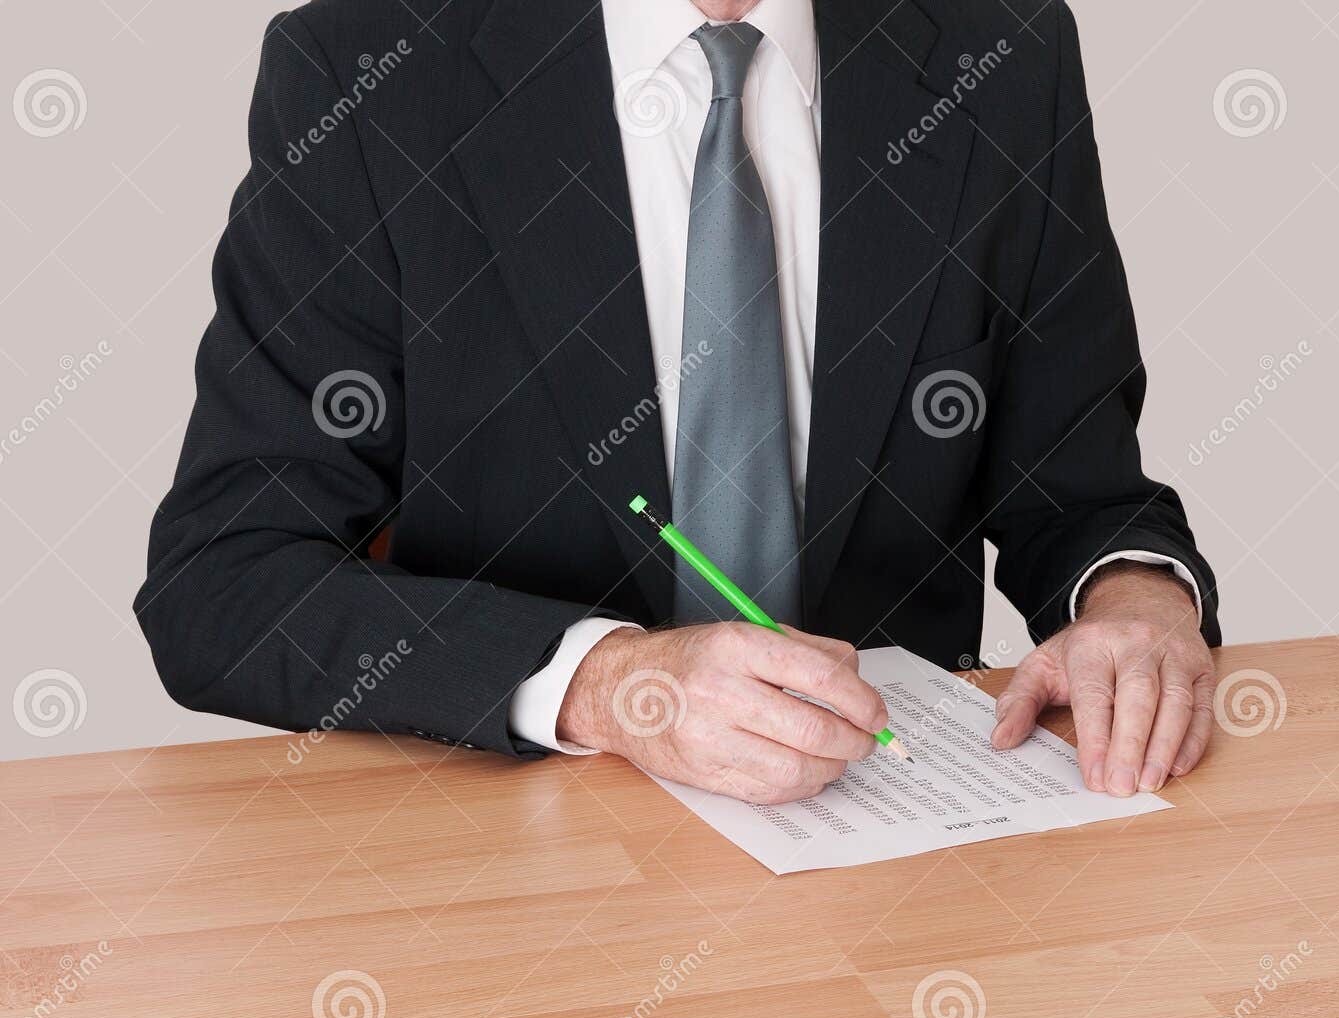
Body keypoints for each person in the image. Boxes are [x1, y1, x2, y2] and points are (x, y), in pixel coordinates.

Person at [137, 0, 1221, 807]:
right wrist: (607, 683)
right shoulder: (369, 73)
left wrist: (1136, 605)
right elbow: (227, 578)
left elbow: (1076, 493)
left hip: (897, 845)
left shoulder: (1000, 55)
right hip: (515, 860)